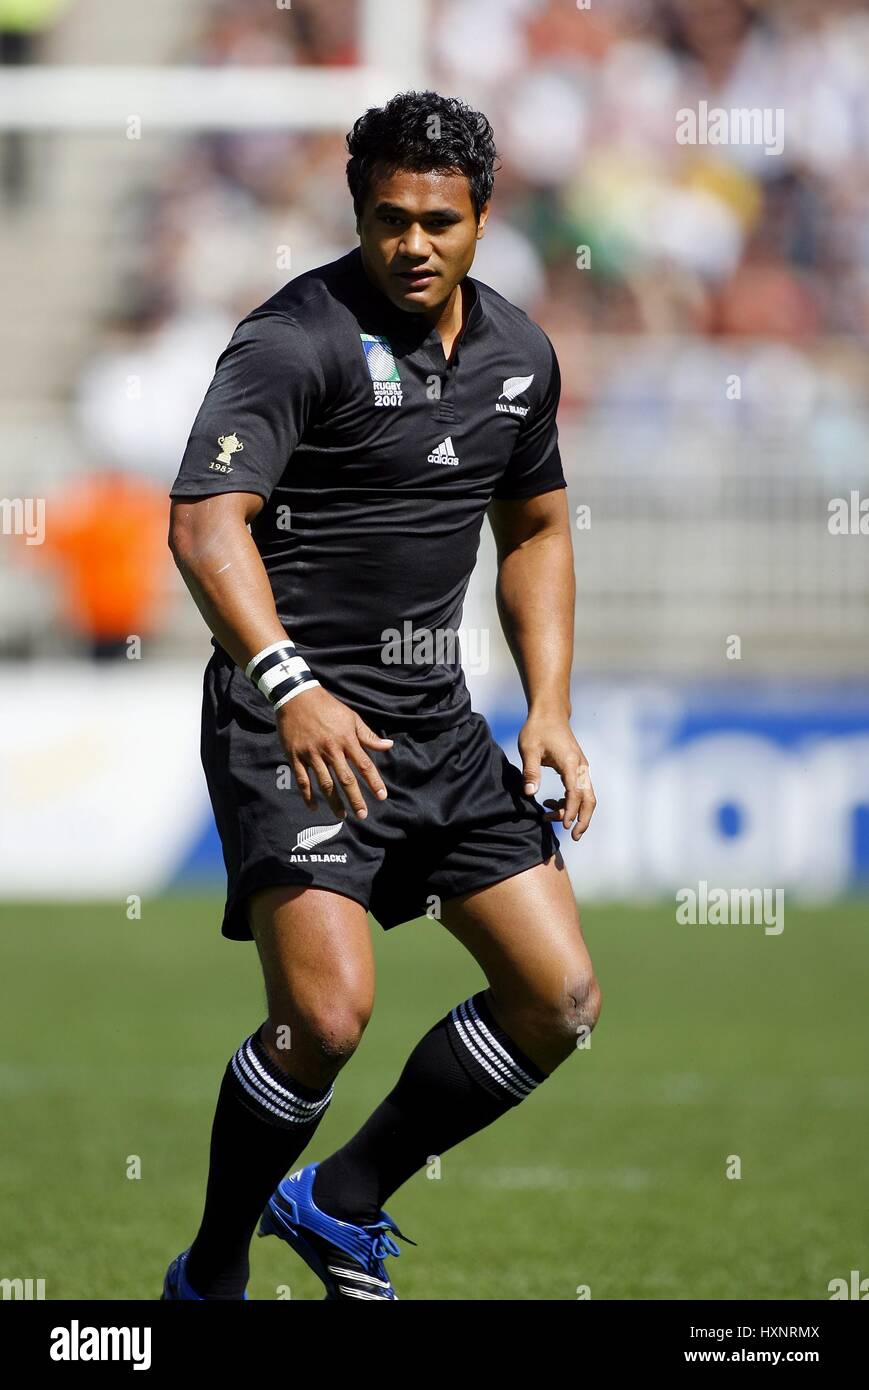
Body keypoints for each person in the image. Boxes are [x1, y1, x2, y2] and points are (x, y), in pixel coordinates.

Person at [164, 89, 600, 1302]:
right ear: (357, 212)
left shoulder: (519, 354)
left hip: (438, 725)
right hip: (290, 721)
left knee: (557, 998)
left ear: (480, 219)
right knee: (328, 1019)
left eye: (438, 221)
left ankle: (340, 1200)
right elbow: (204, 528)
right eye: (386, 218)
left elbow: (538, 529)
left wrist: (548, 704)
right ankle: (209, 1273)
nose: (411, 243)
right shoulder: (290, 337)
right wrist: (288, 683)